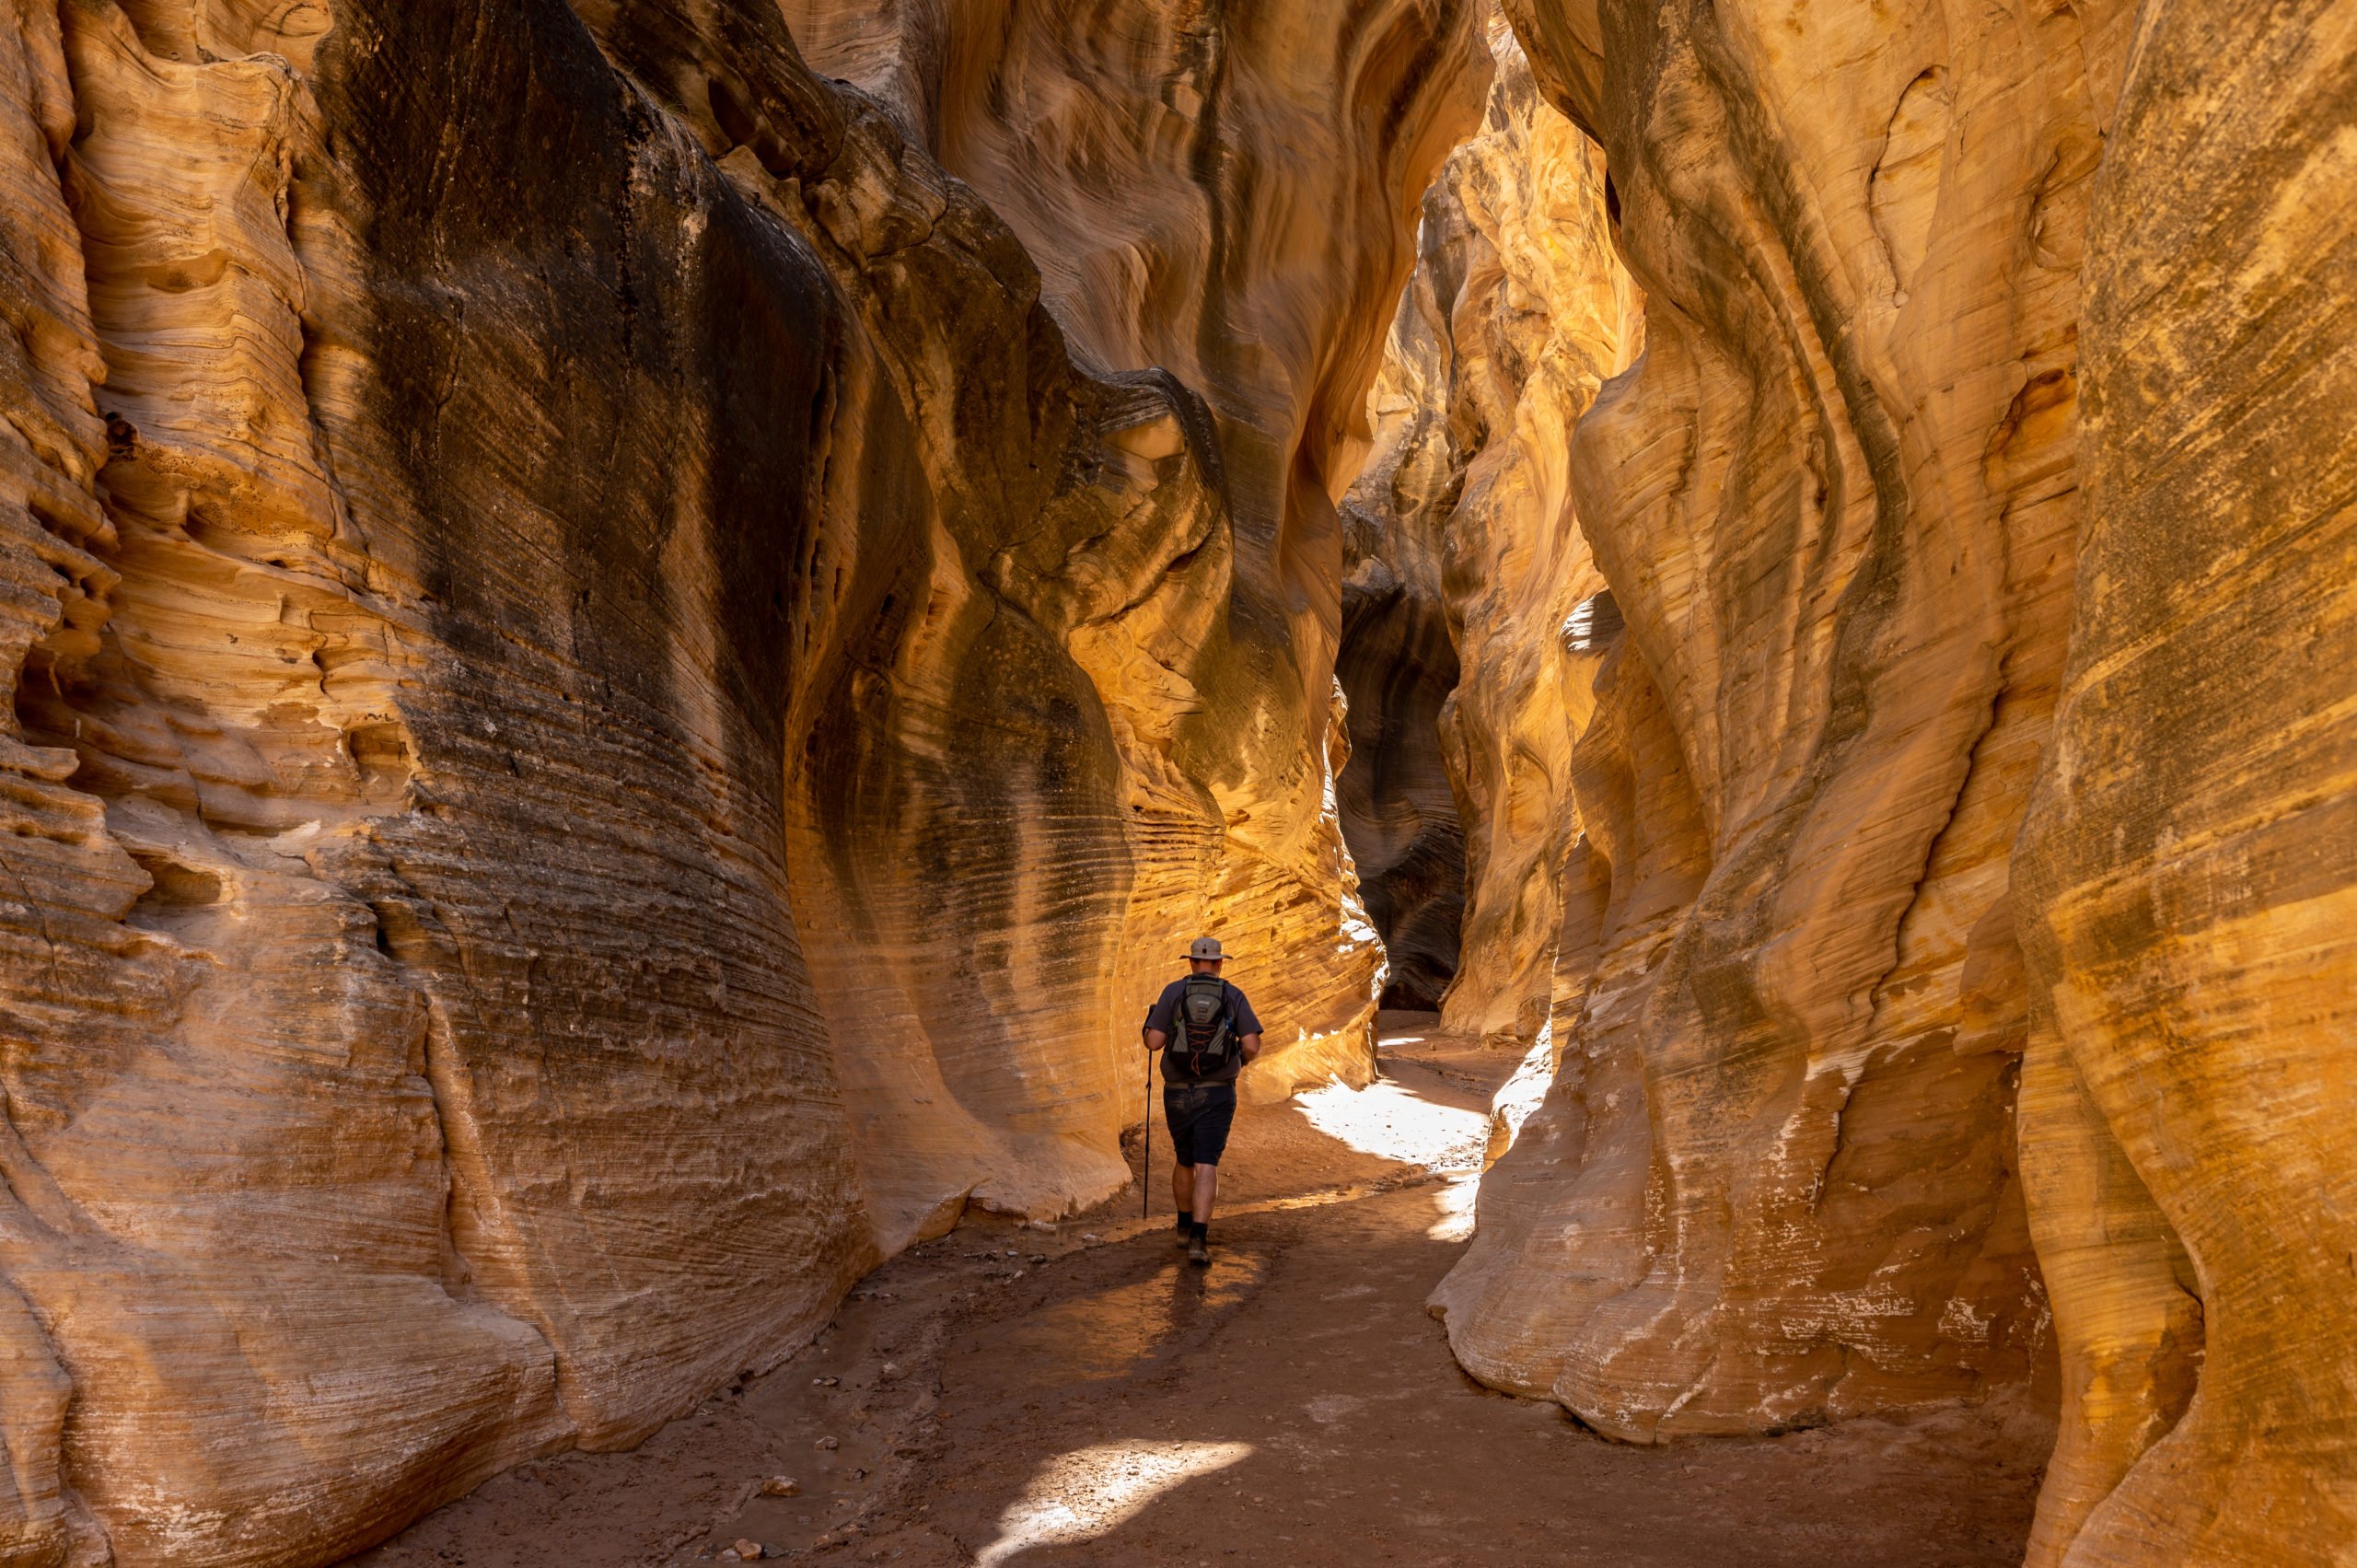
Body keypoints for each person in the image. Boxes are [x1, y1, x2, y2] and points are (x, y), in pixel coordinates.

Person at [1143, 936, 1263, 1265]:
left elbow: (1154, 1042)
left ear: (1192, 962)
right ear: (1220, 963)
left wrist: (1147, 1026)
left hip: (1177, 1091)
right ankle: (1199, 1239)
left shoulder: (1173, 992)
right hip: (1218, 1091)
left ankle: (1183, 1230)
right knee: (1206, 1162)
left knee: (1184, 1159)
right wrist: (1239, 1060)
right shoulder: (1232, 994)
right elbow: (1252, 1044)